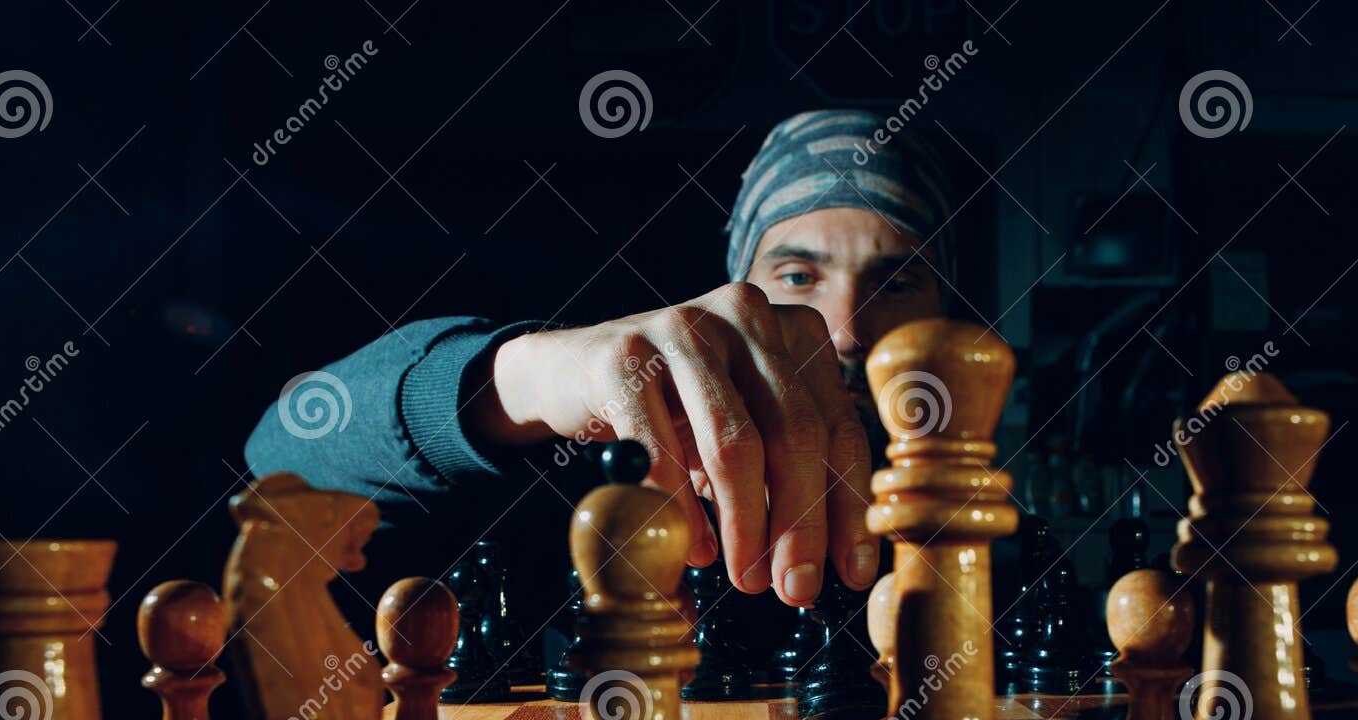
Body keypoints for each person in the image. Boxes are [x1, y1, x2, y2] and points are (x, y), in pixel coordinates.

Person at [246, 109, 956, 607]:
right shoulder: (615, 457)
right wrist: (523, 375)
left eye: (896, 283)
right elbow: (277, 454)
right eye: (799, 277)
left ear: (948, 308)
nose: (845, 329)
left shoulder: (1015, 513)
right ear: (737, 288)